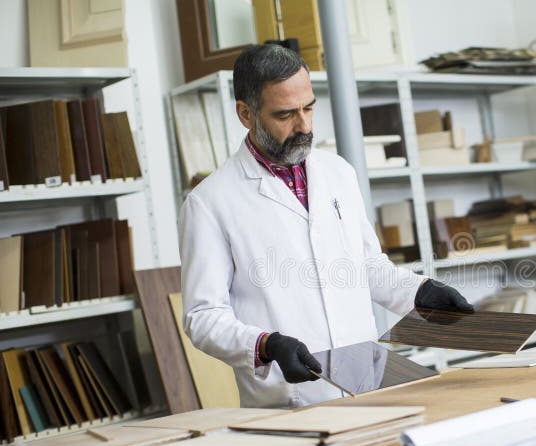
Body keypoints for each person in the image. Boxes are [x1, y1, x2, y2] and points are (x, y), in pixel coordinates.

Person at [179, 44, 473, 408]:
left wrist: (420, 292)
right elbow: (202, 317)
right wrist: (265, 344)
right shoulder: (209, 202)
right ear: (245, 113)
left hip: (368, 380)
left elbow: (365, 267)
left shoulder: (338, 173)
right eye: (285, 114)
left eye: (309, 108)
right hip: (290, 398)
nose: (303, 125)